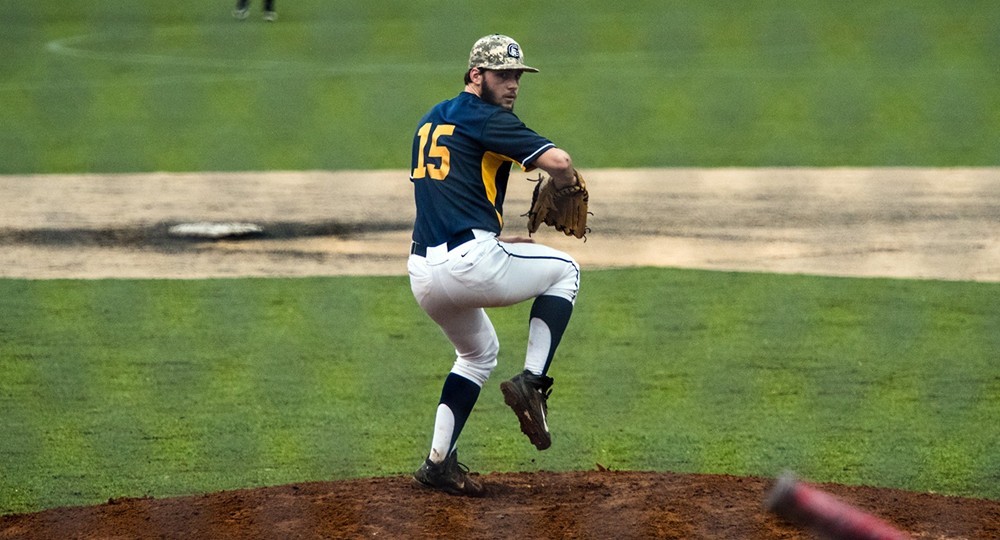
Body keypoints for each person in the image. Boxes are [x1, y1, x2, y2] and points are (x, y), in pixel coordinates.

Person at [408, 34, 584, 496]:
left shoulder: (432, 119)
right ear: (475, 76)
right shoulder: (487, 119)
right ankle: (532, 382)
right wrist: (563, 182)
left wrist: (495, 237)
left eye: (517, 77)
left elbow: (450, 197)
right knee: (566, 270)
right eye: (502, 75)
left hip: (424, 273)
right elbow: (560, 161)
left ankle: (438, 462)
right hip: (470, 265)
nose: (512, 85)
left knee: (476, 353)